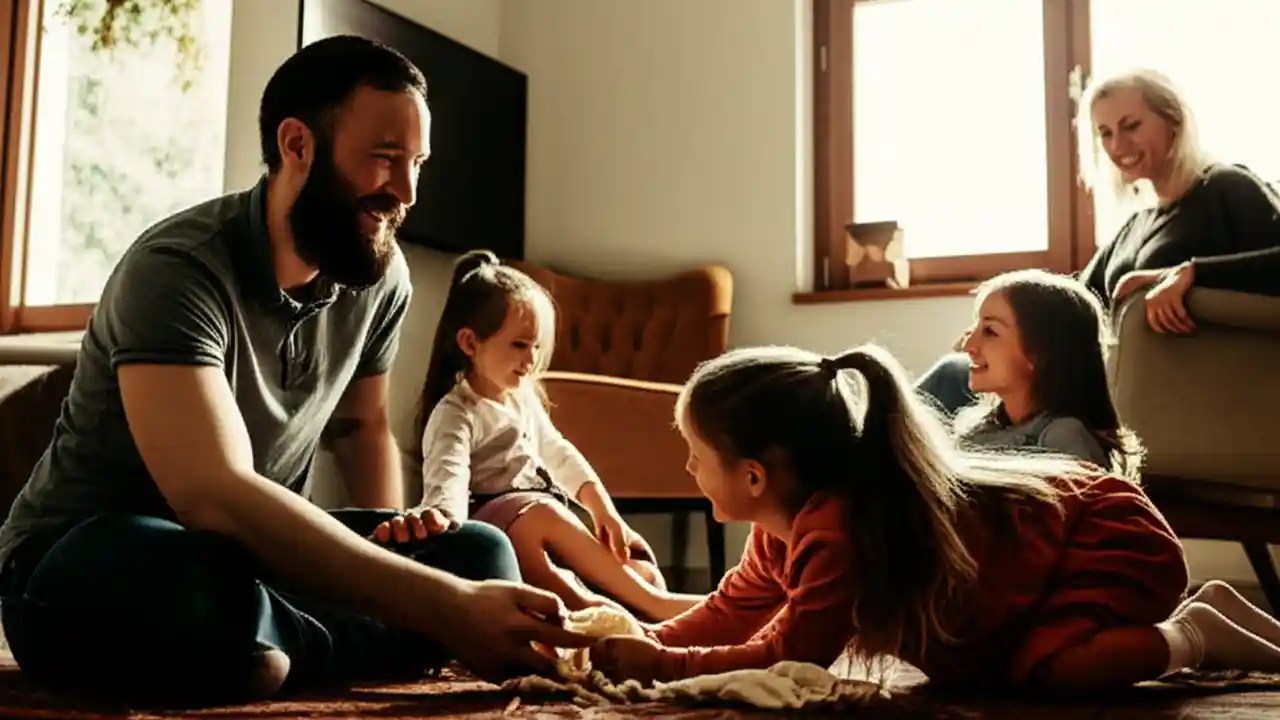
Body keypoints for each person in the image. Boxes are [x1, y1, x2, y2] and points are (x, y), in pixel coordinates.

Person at [0, 36, 588, 706]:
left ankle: (262, 646)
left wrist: (403, 541)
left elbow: (362, 425)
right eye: (385, 159)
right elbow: (212, 493)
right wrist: (439, 605)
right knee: (180, 573)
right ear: (297, 145)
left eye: (417, 163)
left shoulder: (381, 276)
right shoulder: (177, 269)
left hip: (253, 564)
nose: (406, 191)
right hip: (92, 560)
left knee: (480, 553)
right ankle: (288, 640)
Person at [589, 344, 1280, 693]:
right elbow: (731, 610)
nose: (686, 471)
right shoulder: (784, 528)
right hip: (1062, 538)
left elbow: (788, 655)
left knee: (1046, 672)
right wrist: (640, 639)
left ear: (754, 475)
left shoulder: (837, 529)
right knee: (1006, 665)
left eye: (694, 455)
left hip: (1105, 539)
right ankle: (1206, 614)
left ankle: (1193, 634)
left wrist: (664, 664)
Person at [918, 68, 1280, 416]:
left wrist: (1193, 273)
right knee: (957, 372)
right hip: (1107, 378)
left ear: (1174, 121)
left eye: (1131, 126)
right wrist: (1000, 325)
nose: (1117, 145)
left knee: (951, 379)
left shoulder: (1226, 187)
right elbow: (1073, 299)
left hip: (1187, 387)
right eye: (1105, 133)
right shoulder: (1137, 224)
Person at [372, 250, 698, 622]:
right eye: (518, 345)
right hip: (500, 529)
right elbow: (449, 477)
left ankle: (644, 606)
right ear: (469, 343)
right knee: (540, 519)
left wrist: (604, 512)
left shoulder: (522, 397)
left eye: (536, 347)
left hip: (542, 518)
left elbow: (559, 453)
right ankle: (631, 612)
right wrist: (443, 516)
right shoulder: (456, 412)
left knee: (642, 573)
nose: (530, 361)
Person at [951, 269, 1144, 479]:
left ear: (1040, 354)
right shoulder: (972, 427)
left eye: (990, 331)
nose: (967, 345)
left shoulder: (1064, 439)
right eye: (974, 329)